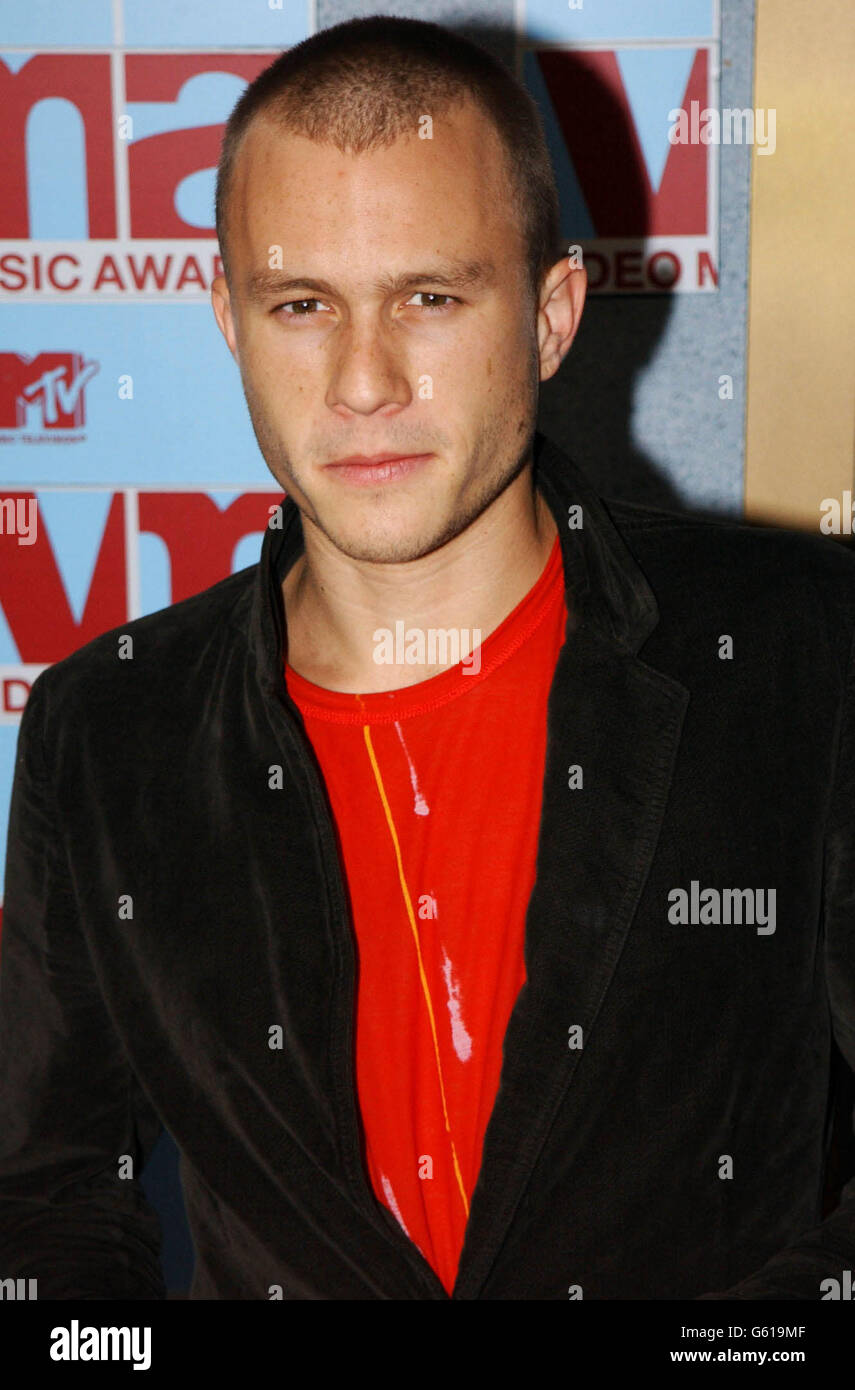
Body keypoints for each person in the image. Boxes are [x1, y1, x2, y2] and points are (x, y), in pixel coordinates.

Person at [1, 14, 854, 1302]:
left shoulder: (800, 651)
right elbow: (48, 1209)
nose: (363, 380)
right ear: (229, 318)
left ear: (554, 315)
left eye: (431, 298)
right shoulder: (104, 731)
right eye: (303, 305)